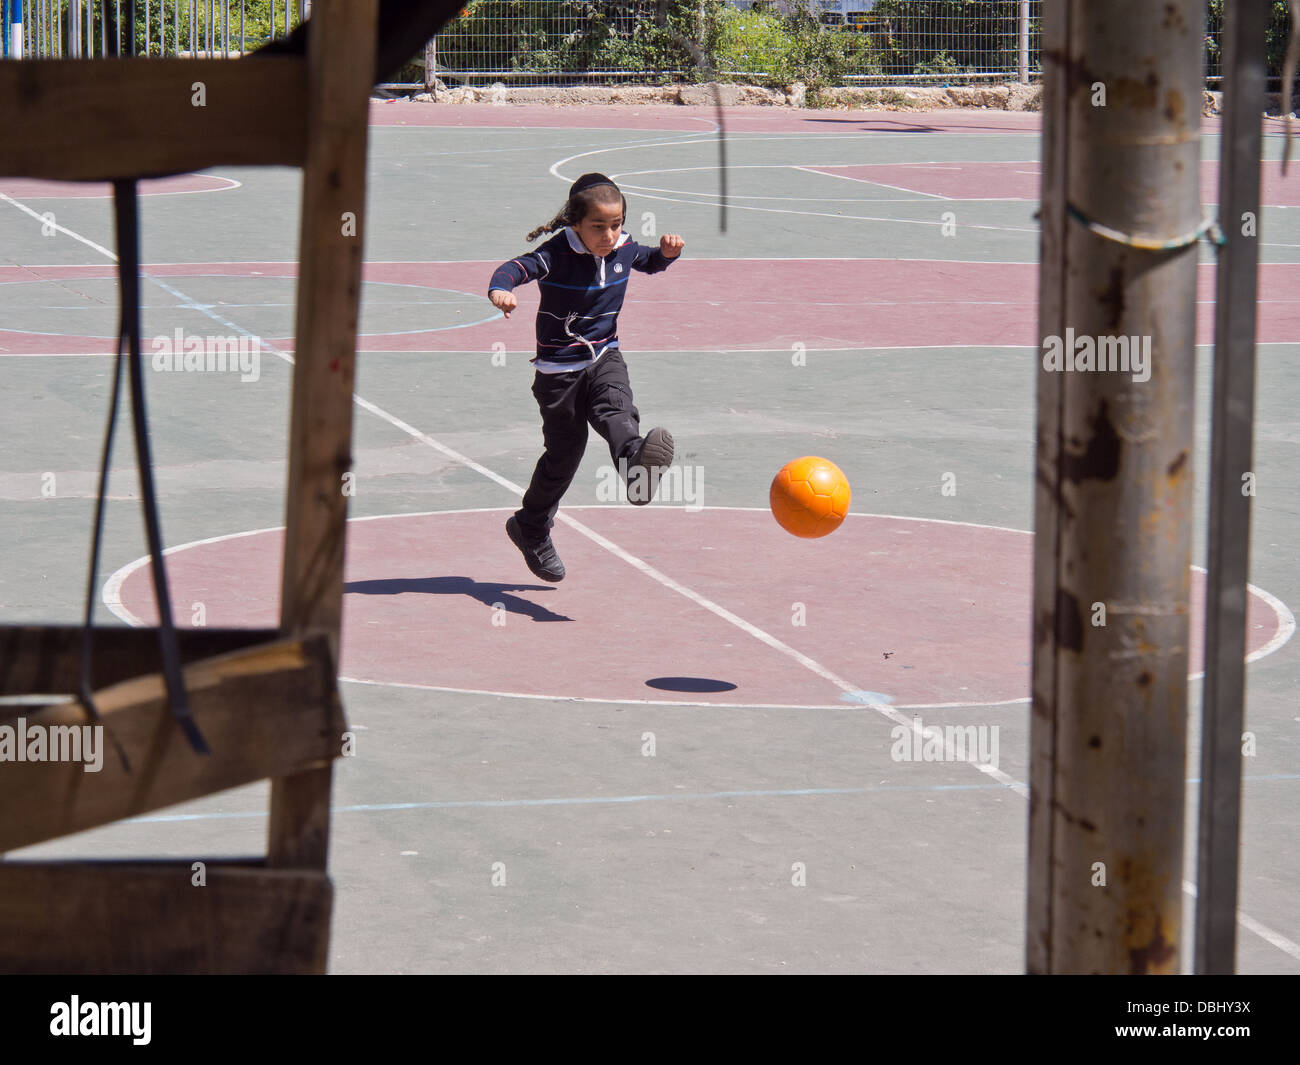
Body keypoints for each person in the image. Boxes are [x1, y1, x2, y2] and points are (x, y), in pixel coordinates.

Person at [488, 172, 685, 583]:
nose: (609, 235)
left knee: (617, 410)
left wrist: (666, 254)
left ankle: (635, 465)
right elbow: (514, 268)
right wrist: (501, 291)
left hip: (603, 355)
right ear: (575, 222)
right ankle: (531, 526)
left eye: (616, 224)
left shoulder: (624, 247)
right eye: (599, 226)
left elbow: (646, 260)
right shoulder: (557, 253)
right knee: (564, 457)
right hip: (558, 371)